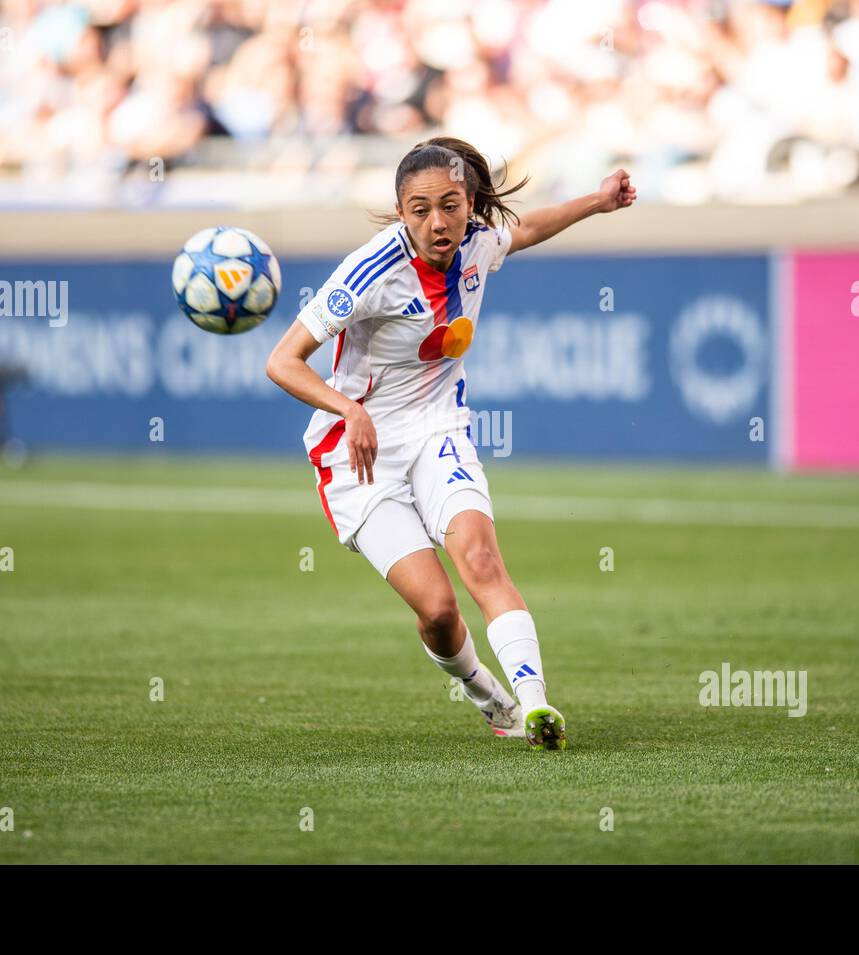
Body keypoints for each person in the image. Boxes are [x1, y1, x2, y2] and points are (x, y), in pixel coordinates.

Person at [265, 136, 636, 750]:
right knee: (437, 609)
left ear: (470, 203)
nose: (437, 222)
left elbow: (528, 228)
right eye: (419, 209)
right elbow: (282, 361)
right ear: (401, 211)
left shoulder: (478, 242)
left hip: (439, 429)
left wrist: (597, 202)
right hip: (357, 452)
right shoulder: (367, 273)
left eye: (450, 204)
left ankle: (537, 705)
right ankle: (490, 699)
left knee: (483, 562)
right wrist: (347, 407)